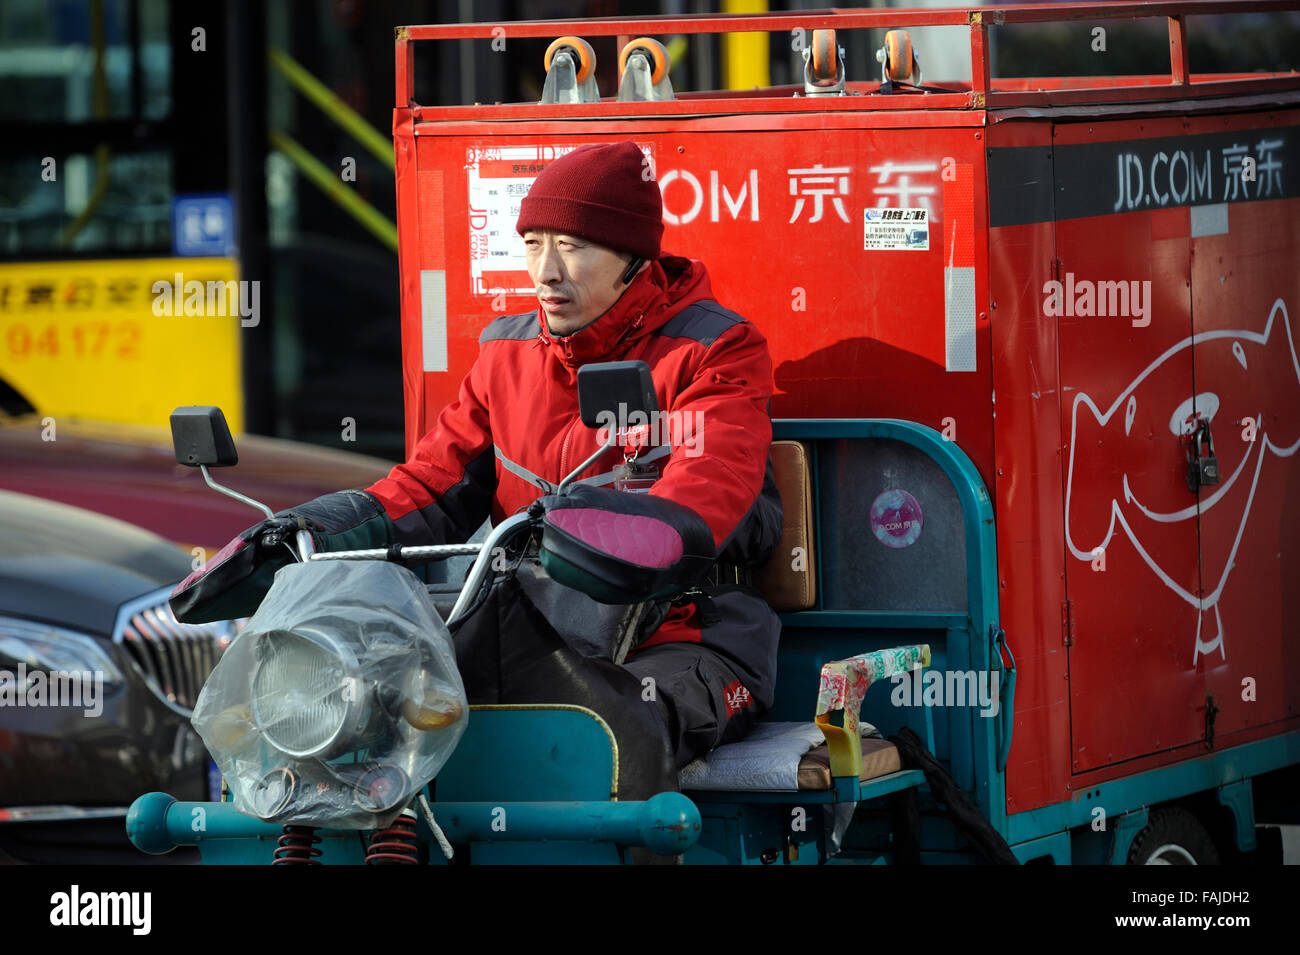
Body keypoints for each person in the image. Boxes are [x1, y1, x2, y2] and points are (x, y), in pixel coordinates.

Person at [173, 141, 782, 802]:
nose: (546, 271)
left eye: (574, 246)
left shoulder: (716, 347)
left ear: (636, 259)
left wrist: (637, 530)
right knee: (360, 711)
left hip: (687, 632)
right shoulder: (505, 353)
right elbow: (431, 485)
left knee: (614, 727)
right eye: (533, 243)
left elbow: (712, 478)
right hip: (530, 625)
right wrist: (308, 533)